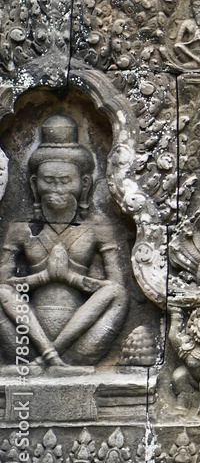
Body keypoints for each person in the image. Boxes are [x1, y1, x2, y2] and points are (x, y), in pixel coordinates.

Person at [0, 115, 128, 371]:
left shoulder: (98, 229)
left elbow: (113, 285)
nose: (57, 190)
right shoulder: (20, 231)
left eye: (66, 181)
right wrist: (44, 277)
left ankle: (52, 358)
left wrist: (71, 278)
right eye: (49, 181)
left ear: (84, 184)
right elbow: (5, 285)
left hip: (80, 345)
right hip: (25, 341)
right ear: (35, 185)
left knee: (117, 293)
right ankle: (47, 357)